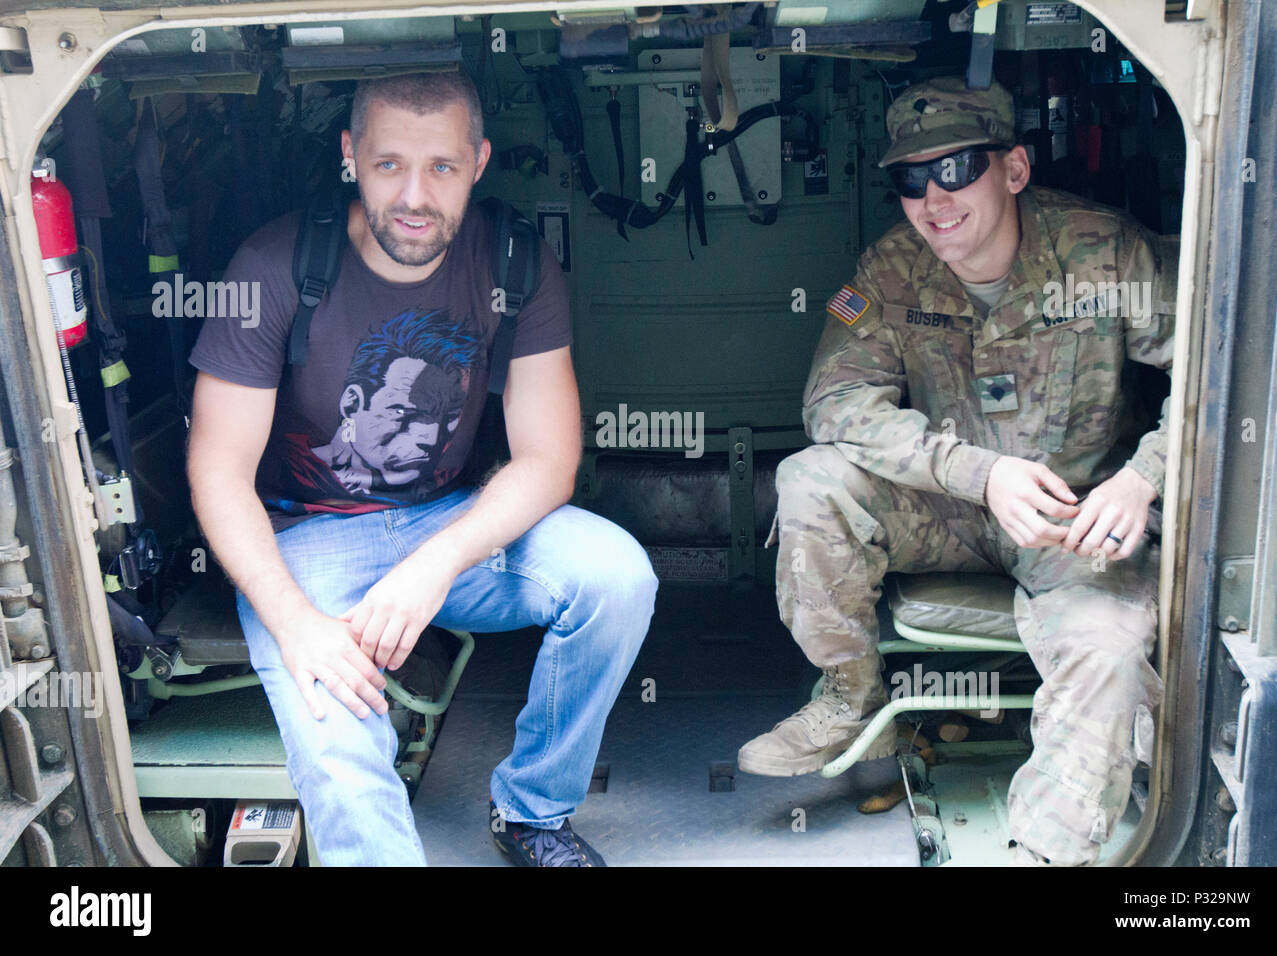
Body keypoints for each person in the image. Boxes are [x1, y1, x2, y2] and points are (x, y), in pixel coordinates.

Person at [186, 71, 658, 867]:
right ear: (350, 158)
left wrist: (437, 563)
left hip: (450, 518)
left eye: (440, 167)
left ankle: (532, 810)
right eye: (388, 165)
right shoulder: (273, 264)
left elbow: (548, 460)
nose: (414, 195)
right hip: (308, 538)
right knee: (335, 719)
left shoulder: (513, 259)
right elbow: (217, 470)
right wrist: (296, 624)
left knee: (617, 578)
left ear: (477, 161)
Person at [738, 75, 1177, 866]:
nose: (933, 198)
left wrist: (1144, 475)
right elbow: (836, 403)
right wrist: (977, 474)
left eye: (956, 169)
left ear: (1012, 169)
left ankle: (1046, 850)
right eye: (911, 178)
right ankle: (852, 693)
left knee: (1110, 649)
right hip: (943, 507)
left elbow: (1228, 370)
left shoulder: (1106, 250)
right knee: (811, 479)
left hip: (1070, 521)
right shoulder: (886, 273)